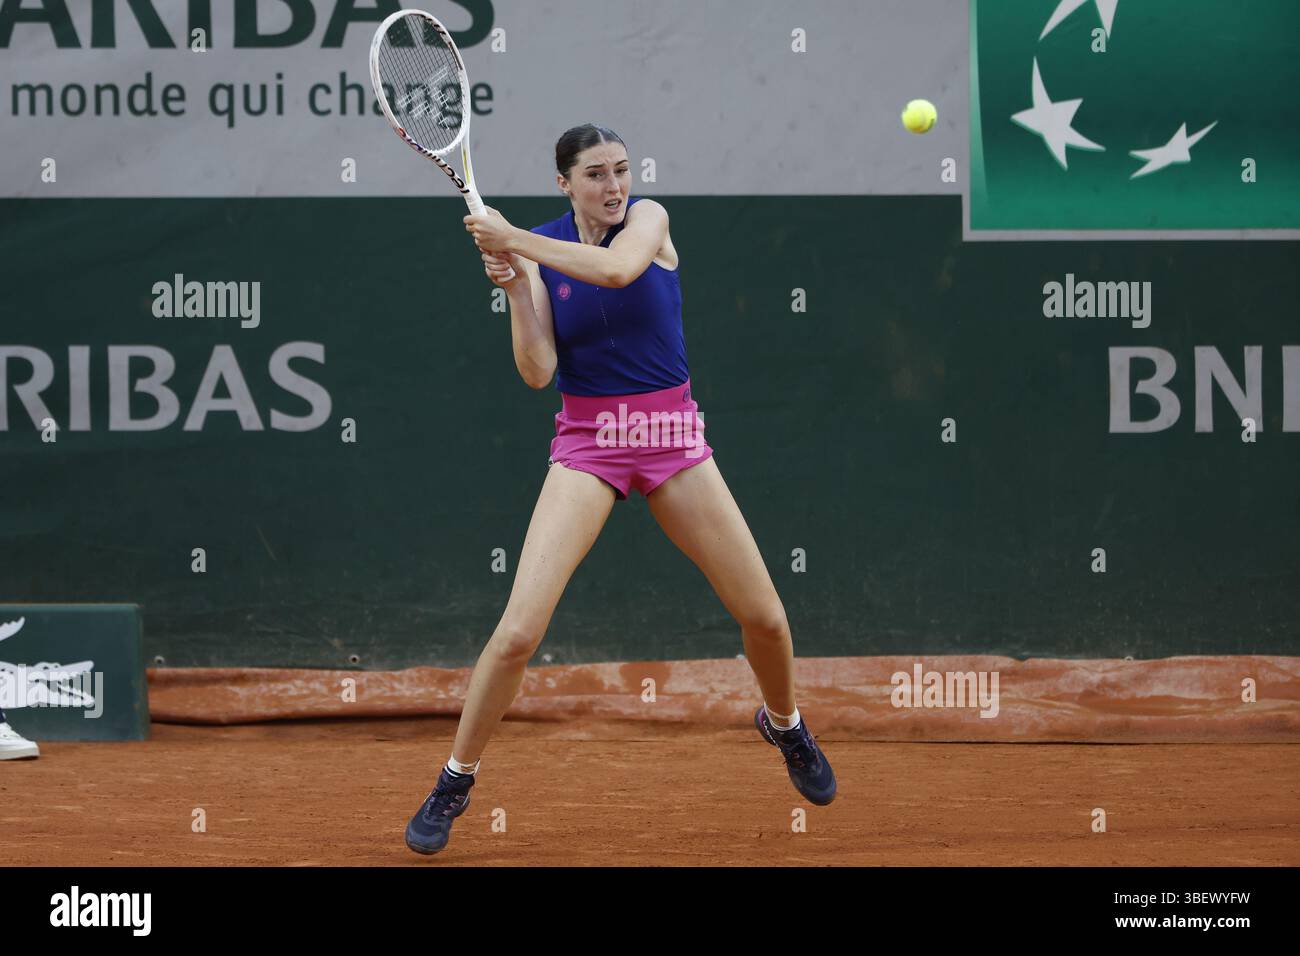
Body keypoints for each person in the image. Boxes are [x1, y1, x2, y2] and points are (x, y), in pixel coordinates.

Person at [404, 123, 835, 856]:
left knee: (764, 617)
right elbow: (538, 371)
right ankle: (455, 778)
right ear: (565, 183)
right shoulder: (539, 249)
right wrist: (515, 284)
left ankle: (786, 724)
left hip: (672, 439)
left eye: (621, 171)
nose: (615, 187)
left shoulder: (650, 222)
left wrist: (512, 240)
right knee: (518, 633)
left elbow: (614, 274)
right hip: (588, 445)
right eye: (596, 175)